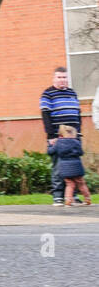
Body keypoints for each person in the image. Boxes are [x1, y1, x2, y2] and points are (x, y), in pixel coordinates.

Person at [41, 67, 82, 205]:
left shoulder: (72, 93)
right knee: (58, 166)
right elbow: (45, 116)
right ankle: (58, 196)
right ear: (54, 78)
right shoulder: (48, 94)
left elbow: (78, 115)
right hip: (58, 137)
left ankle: (72, 196)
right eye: (59, 77)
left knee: (74, 166)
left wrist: (79, 133)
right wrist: (51, 135)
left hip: (73, 137)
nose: (62, 80)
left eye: (64, 77)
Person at [52, 124, 92, 206]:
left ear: (61, 134)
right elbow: (81, 153)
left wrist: (52, 144)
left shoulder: (58, 143)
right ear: (73, 133)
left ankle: (68, 200)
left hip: (65, 168)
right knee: (81, 183)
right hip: (77, 167)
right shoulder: (76, 142)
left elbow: (51, 152)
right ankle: (87, 199)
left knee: (69, 185)